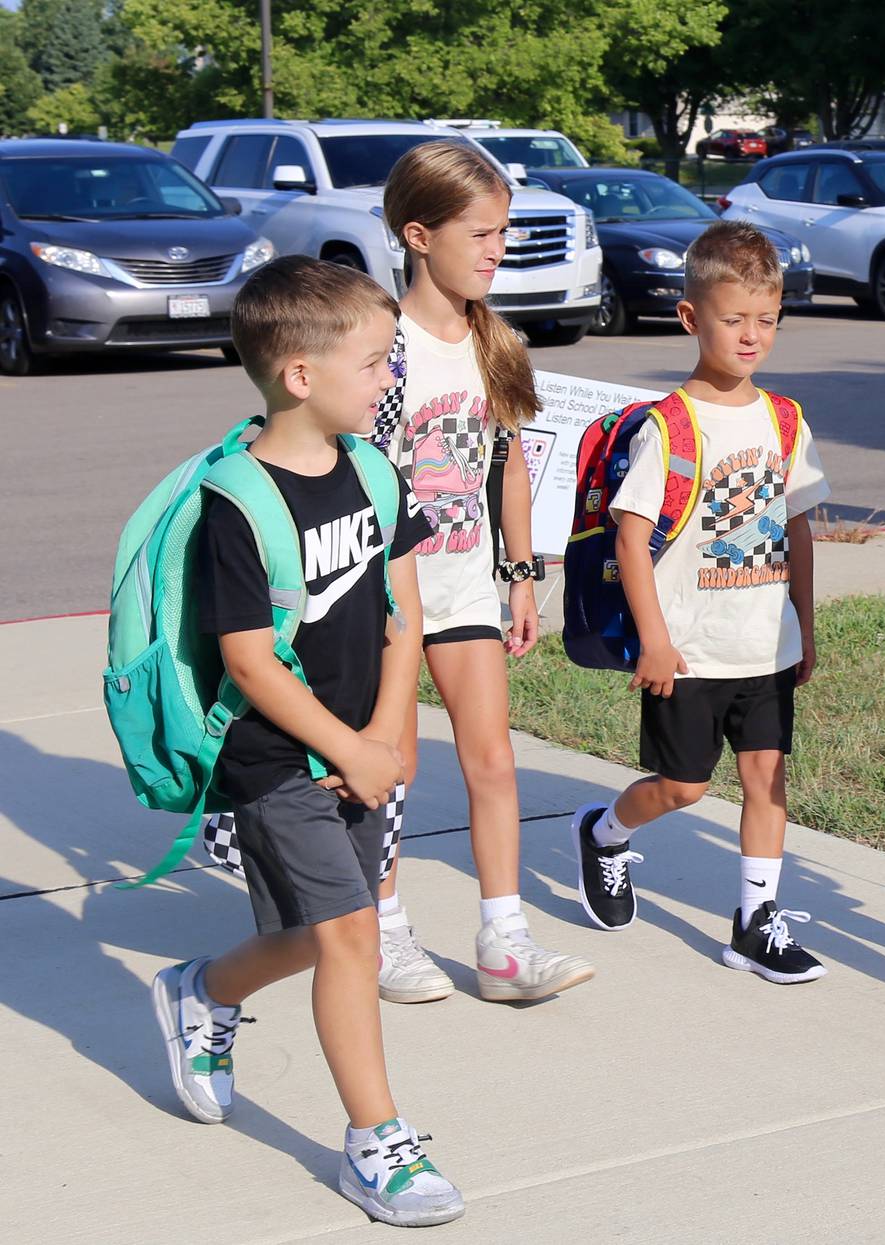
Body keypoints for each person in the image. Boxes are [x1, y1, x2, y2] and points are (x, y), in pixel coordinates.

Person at [150, 257, 465, 1226]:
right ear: (299, 375)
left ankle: (197, 993)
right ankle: (378, 1145)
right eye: (374, 365)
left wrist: (387, 730)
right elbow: (248, 662)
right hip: (275, 757)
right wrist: (345, 746)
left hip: (361, 746)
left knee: (307, 936)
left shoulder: (372, 469)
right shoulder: (237, 502)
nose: (388, 383)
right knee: (350, 938)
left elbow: (402, 606)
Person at [569, 220, 833, 984]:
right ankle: (607, 830)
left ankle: (755, 923)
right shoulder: (670, 426)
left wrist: (804, 627)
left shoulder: (785, 420)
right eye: (733, 318)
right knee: (683, 786)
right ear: (691, 318)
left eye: (766, 319)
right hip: (687, 647)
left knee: (767, 780)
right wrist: (653, 639)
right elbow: (629, 537)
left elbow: (799, 531)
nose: (751, 336)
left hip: (766, 643)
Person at [371, 141, 594, 1004]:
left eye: (504, 231)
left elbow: (510, 463)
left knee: (493, 760)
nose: (498, 248)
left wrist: (523, 573)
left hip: (466, 582)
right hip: (387, 591)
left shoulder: (494, 340)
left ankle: (504, 941)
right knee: (395, 765)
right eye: (481, 233)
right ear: (419, 235)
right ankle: (385, 932)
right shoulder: (380, 343)